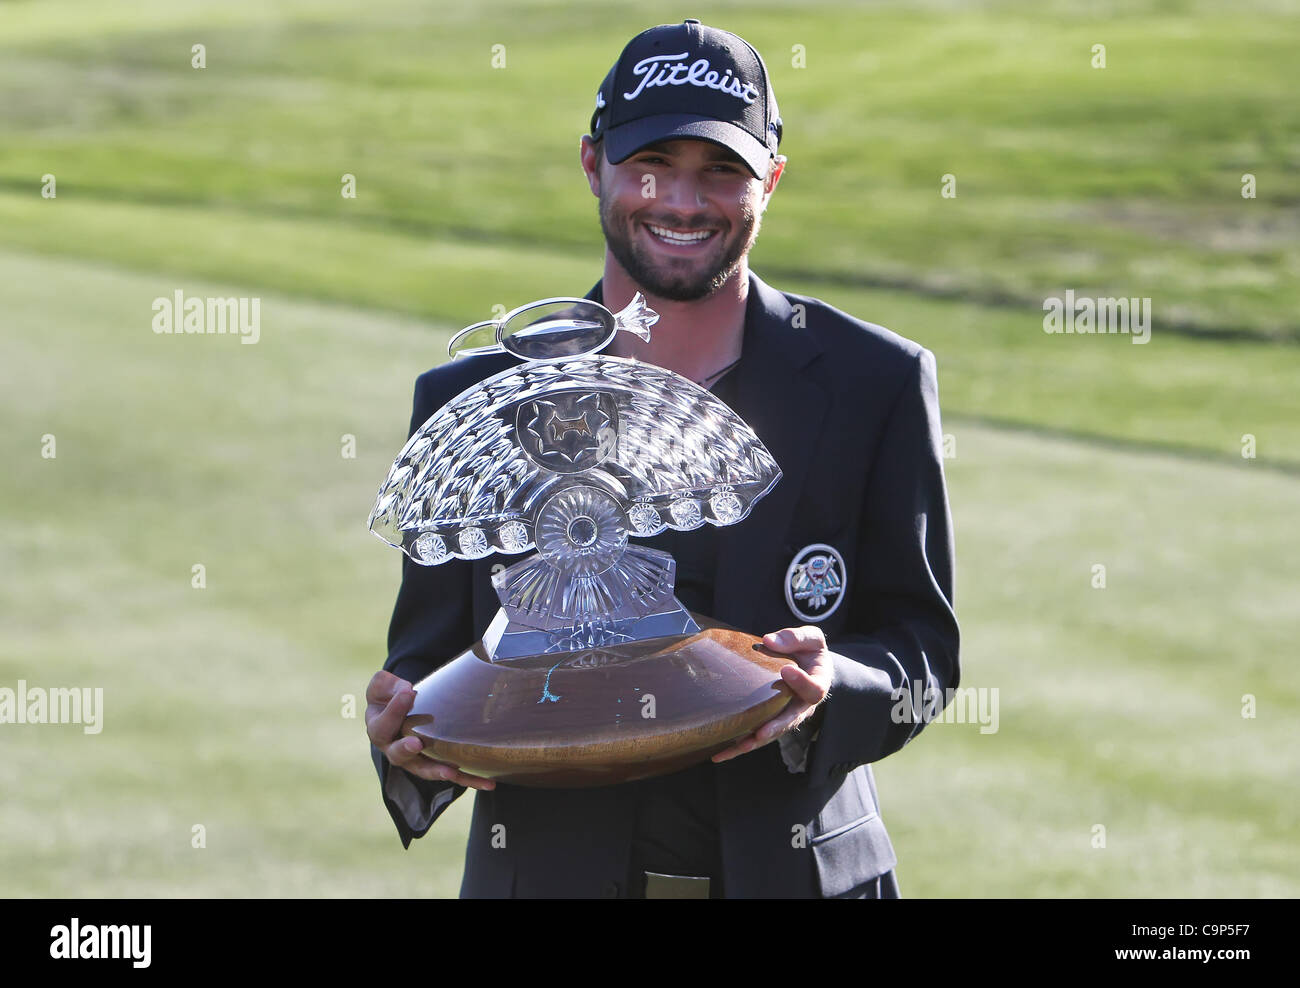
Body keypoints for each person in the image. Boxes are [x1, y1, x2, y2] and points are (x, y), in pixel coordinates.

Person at [365, 19, 959, 898]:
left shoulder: (875, 380)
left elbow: (922, 651)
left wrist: (835, 681)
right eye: (651, 165)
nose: (682, 202)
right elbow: (428, 660)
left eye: (721, 170)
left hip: (802, 879)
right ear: (591, 163)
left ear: (772, 180)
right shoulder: (477, 395)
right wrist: (406, 735)